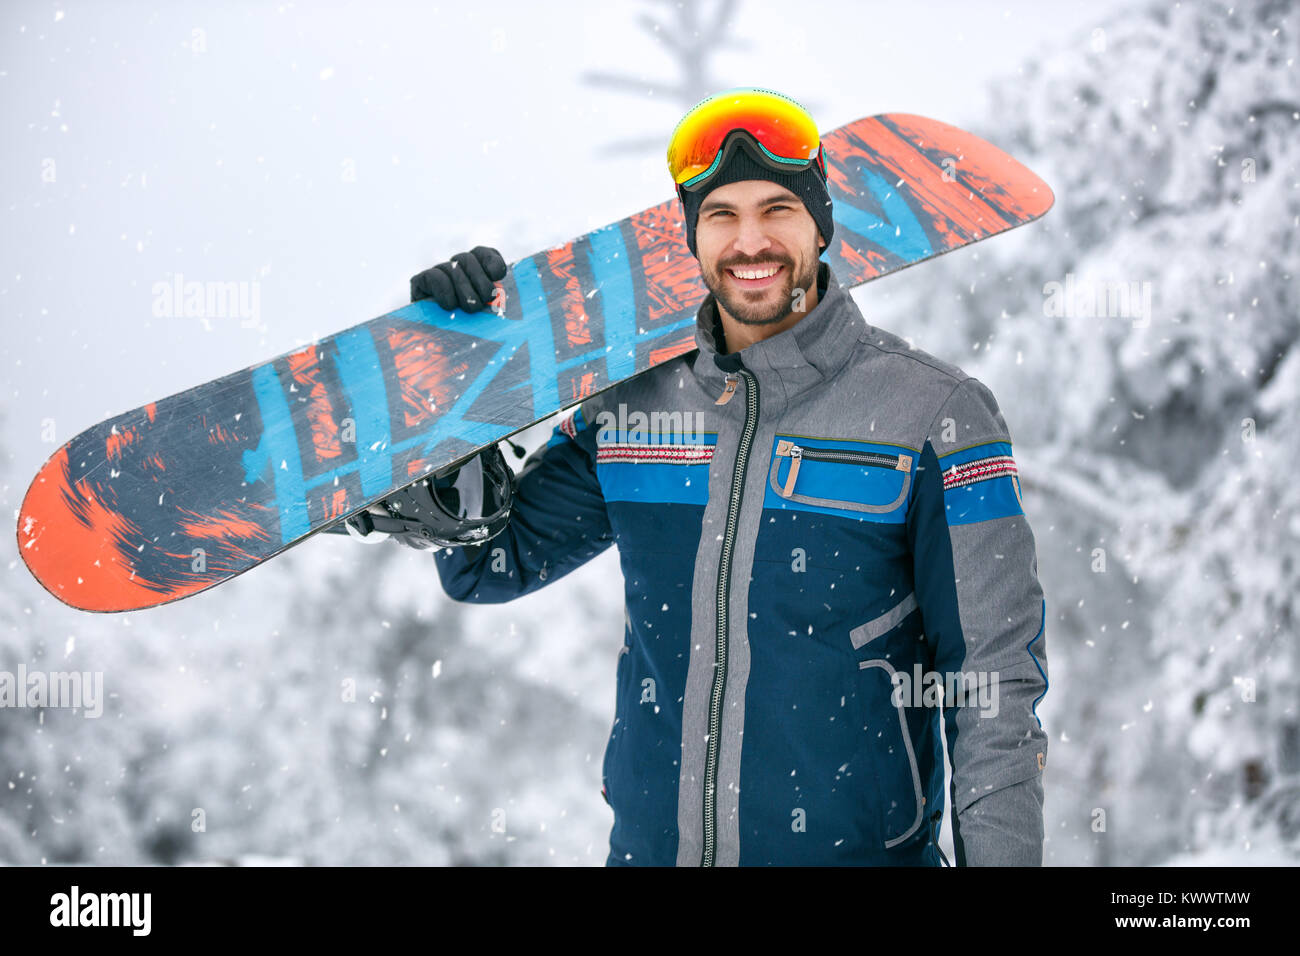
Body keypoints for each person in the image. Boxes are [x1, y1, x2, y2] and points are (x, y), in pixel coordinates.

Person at [360, 87, 1049, 866]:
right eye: (721, 215)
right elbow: (488, 564)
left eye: (778, 210)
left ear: (821, 227)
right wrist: (449, 397)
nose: (750, 241)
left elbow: (992, 687)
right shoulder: (632, 410)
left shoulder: (935, 414)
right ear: (692, 238)